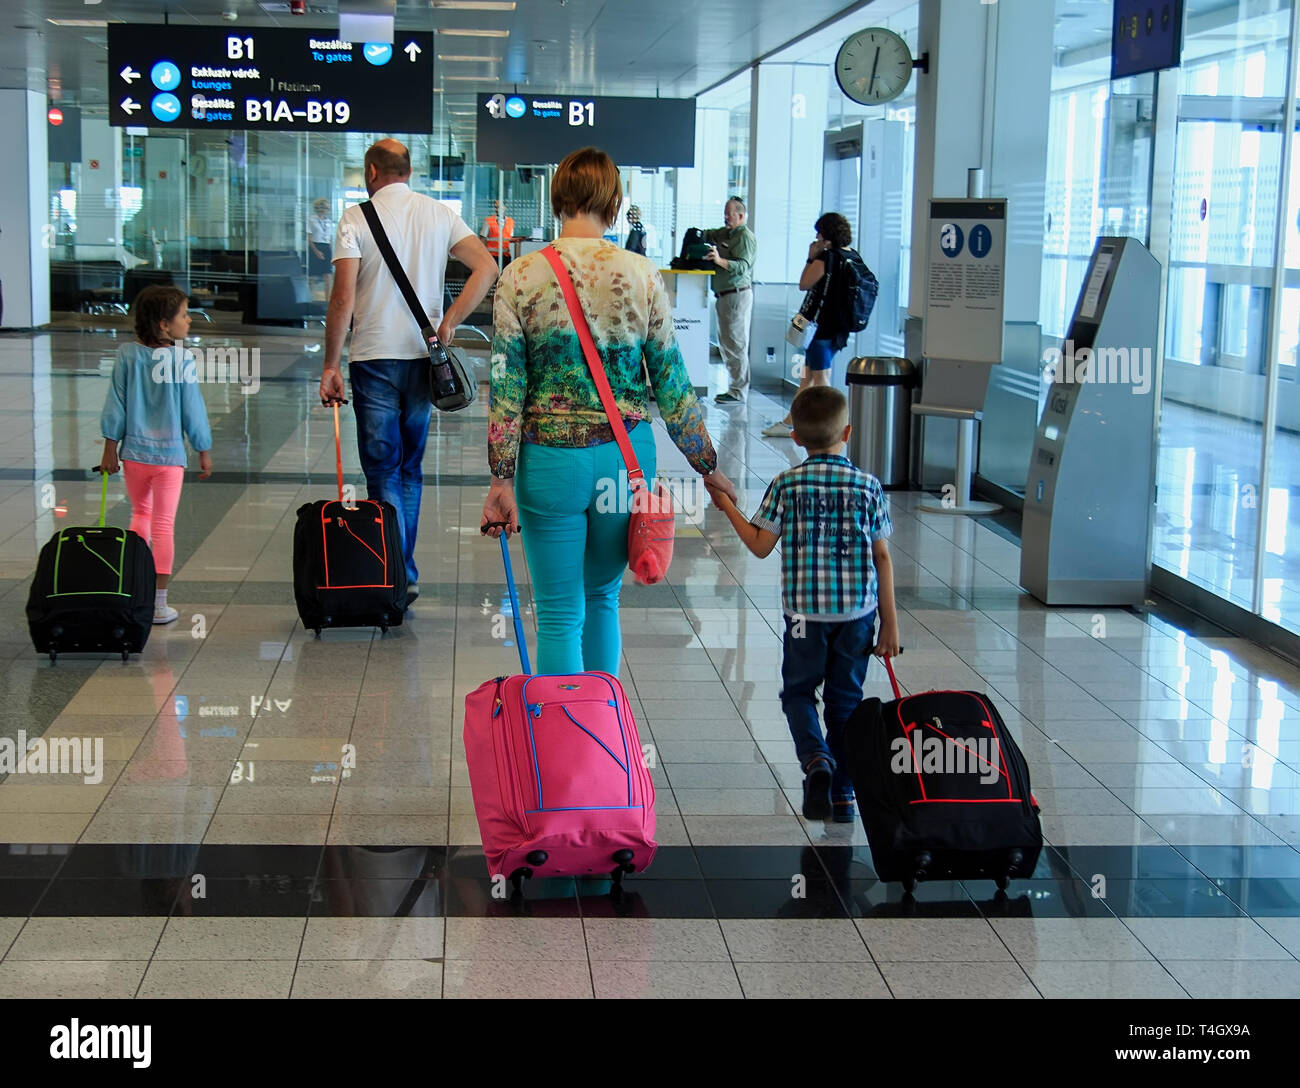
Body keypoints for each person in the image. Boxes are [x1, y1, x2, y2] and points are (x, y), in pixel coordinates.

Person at [481, 146, 738, 676]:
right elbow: (671, 382)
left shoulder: (519, 276)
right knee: (602, 599)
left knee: (556, 614)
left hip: (547, 461)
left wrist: (500, 478)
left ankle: (562, 747)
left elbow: (506, 386)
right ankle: (603, 745)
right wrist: (707, 465)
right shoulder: (642, 275)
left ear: (558, 200)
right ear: (615, 203)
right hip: (625, 461)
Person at [705, 386, 899, 824]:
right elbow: (882, 557)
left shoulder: (787, 484)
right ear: (847, 432)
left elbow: (758, 546)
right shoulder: (868, 487)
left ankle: (816, 761)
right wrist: (890, 625)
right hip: (858, 616)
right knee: (845, 702)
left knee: (798, 693)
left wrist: (728, 507)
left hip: (804, 617)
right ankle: (844, 797)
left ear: (795, 437)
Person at [319, 139, 498, 606]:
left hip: (373, 358)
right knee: (411, 470)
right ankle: (405, 570)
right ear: (409, 171)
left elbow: (342, 300)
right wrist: (450, 321)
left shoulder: (355, 218)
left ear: (372, 171)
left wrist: (330, 365)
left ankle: (391, 572)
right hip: (425, 359)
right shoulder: (440, 214)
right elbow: (486, 267)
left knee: (382, 471)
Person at [98, 285, 213, 625]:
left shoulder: (126, 355)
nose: (189, 320)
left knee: (140, 517)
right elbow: (193, 411)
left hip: (133, 453)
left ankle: (133, 589)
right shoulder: (181, 359)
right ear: (164, 324)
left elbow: (115, 403)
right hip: (169, 458)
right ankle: (159, 603)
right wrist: (203, 448)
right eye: (183, 315)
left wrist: (109, 448)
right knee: (163, 525)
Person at [764, 212, 860, 438]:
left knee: (821, 381)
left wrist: (810, 257)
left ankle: (832, 427)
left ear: (827, 236)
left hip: (821, 328)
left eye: (819, 233)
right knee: (807, 377)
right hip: (840, 328)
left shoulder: (826, 258)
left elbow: (804, 283)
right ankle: (790, 422)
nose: (816, 237)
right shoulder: (852, 256)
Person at [703, 197, 757, 404]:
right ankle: (734, 388)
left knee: (736, 343)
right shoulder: (726, 233)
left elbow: (744, 266)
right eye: (725, 213)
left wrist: (719, 261)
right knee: (727, 343)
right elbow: (708, 234)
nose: (726, 218)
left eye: (729, 214)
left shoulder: (745, 237)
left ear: (741, 216)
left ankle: (739, 391)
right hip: (723, 295)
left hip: (737, 294)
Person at [306, 198, 334, 297]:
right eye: (324, 207)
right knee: (312, 277)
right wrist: (316, 251)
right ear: (318, 207)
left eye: (327, 208)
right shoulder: (311, 219)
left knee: (328, 276)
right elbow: (309, 238)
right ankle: (309, 299)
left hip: (326, 248)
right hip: (315, 246)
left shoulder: (329, 221)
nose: (325, 210)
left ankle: (327, 301)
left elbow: (329, 238)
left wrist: (330, 253)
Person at [481, 199, 515, 266]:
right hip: (492, 256)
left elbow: (510, 239)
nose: (496, 209)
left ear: (505, 207)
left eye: (498, 207)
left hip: (506, 256)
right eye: (495, 207)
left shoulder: (511, 221)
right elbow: (483, 240)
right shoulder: (488, 221)